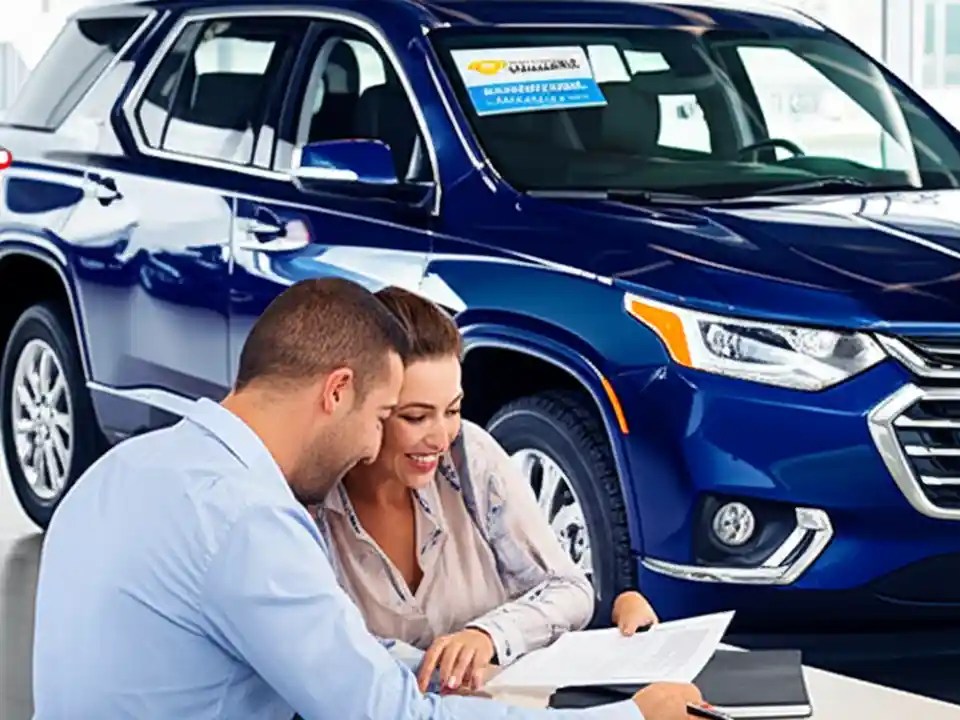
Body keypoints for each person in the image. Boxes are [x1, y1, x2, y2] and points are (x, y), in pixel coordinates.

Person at [31, 277, 702, 720]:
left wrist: (433, 665)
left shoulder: (122, 473)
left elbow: (333, 651)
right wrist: (628, 718)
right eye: (384, 415)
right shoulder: (245, 519)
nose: (370, 446)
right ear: (336, 391)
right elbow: (381, 715)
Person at [318, 286, 660, 693]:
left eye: (453, 410)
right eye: (415, 417)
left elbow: (568, 589)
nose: (441, 437)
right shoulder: (312, 504)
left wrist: (488, 636)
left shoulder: (470, 455)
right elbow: (333, 653)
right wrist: (444, 670)